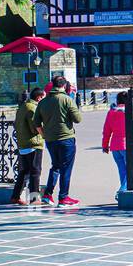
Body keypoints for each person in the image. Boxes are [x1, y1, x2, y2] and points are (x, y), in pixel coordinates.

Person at [35, 75, 83, 206]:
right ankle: (63, 197)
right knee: (66, 167)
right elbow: (78, 119)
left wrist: (44, 135)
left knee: (55, 166)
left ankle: (48, 195)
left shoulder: (43, 102)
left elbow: (36, 122)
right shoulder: (66, 99)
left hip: (50, 139)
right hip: (66, 138)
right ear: (64, 85)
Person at [11, 87, 45, 205]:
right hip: (33, 144)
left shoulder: (22, 107)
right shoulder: (33, 108)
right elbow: (34, 127)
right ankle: (34, 198)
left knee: (23, 172)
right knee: (35, 171)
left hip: (23, 144)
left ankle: (15, 196)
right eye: (43, 98)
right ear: (39, 97)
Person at [102, 96, 127, 193]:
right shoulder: (129, 111)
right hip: (127, 145)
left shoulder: (111, 112)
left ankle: (124, 190)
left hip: (115, 146)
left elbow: (106, 130)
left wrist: (105, 145)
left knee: (122, 171)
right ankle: (122, 190)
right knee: (131, 171)